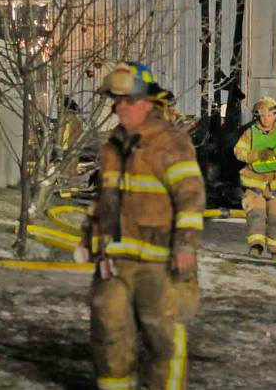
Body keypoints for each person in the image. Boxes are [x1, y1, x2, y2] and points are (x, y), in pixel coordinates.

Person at [76, 62, 205, 389]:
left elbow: (190, 197)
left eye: (128, 100)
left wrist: (185, 244)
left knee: (162, 337)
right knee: (109, 333)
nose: (121, 108)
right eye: (117, 101)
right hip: (114, 262)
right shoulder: (112, 147)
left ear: (148, 102)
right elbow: (106, 199)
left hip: (158, 262)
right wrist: (88, 238)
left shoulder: (170, 143)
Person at [233, 96, 276, 261]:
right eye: (262, 115)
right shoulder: (250, 134)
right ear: (258, 116)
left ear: (275, 116)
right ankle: (256, 247)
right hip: (255, 185)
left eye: (269, 115)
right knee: (255, 215)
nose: (266, 119)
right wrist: (256, 155)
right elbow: (238, 152)